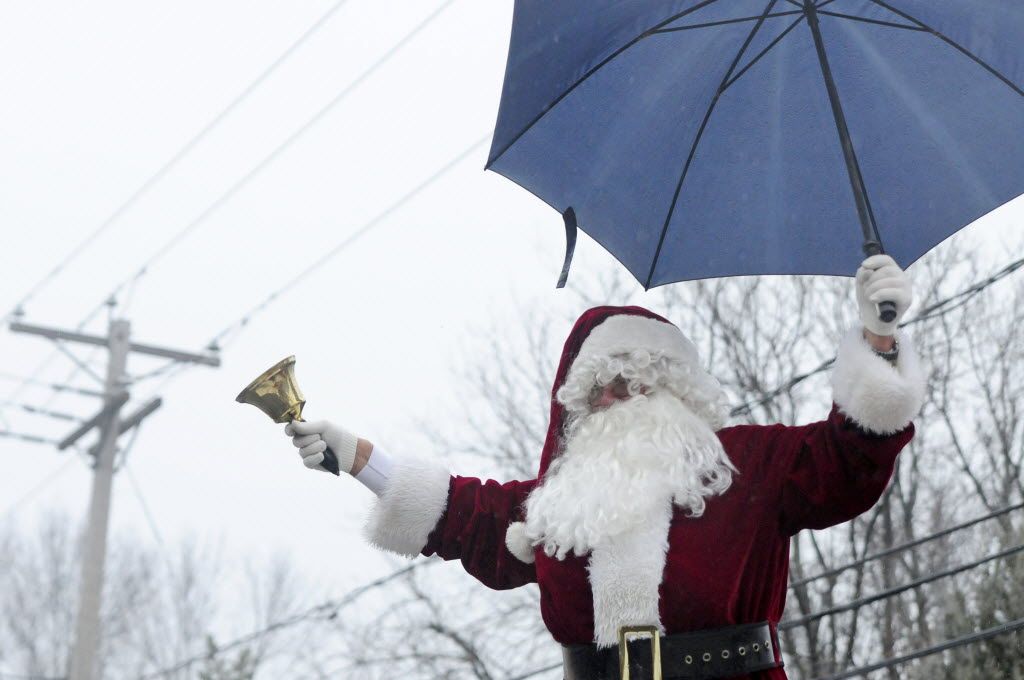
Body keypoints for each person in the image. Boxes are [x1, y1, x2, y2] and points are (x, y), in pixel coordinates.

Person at [285, 255, 924, 680]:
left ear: (678, 394)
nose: (614, 402)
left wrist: (879, 343)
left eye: (634, 384)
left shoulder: (747, 465)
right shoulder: (563, 508)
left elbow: (848, 462)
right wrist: (358, 458)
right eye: (599, 392)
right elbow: (465, 518)